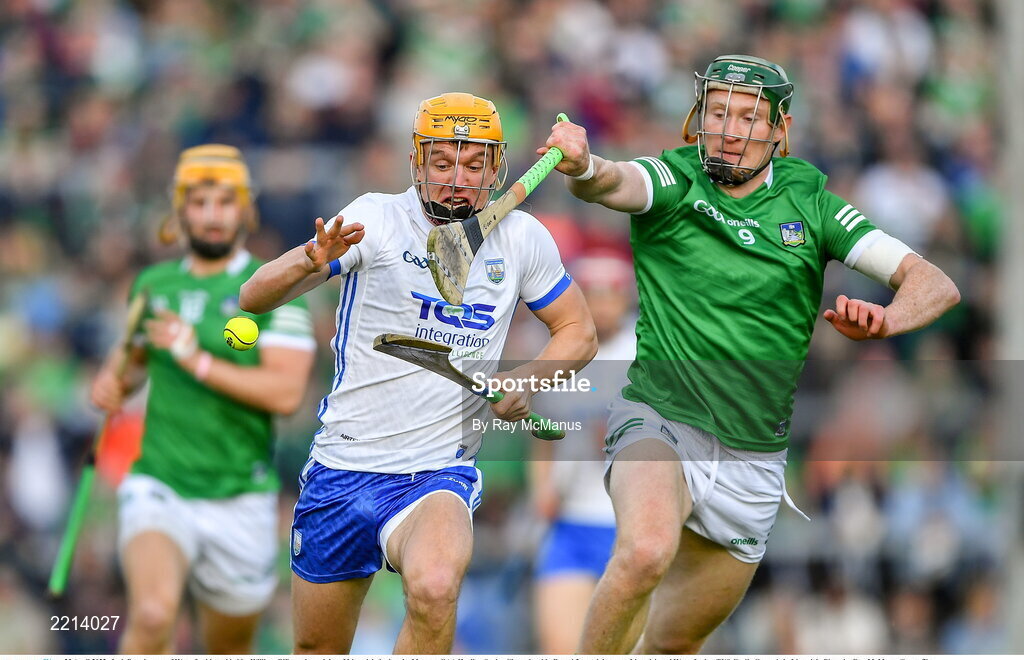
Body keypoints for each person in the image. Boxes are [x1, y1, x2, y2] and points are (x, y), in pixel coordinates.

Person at [540, 54, 961, 653]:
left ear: (779, 131)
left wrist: (889, 319)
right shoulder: (673, 180)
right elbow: (612, 182)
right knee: (644, 551)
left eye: (747, 116)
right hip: (661, 420)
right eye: (718, 113)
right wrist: (585, 165)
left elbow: (934, 283)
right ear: (698, 118)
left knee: (669, 645)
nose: (730, 129)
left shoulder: (811, 201)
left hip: (753, 465)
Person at [238, 92, 597, 654]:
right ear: (417, 163)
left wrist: (526, 379)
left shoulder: (522, 238)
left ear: (497, 168)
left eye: (475, 164)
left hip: (437, 472)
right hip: (343, 467)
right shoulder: (376, 219)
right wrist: (310, 259)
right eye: (444, 162)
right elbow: (252, 297)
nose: (459, 177)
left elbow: (579, 330)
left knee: (434, 587)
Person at [90, 144, 317, 654]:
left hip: (241, 496)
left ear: (245, 209)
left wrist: (198, 360)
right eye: (199, 202)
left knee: (228, 647)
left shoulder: (272, 285)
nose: (213, 216)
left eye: (225, 201)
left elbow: (285, 394)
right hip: (161, 483)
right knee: (152, 615)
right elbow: (133, 365)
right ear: (180, 212)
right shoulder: (153, 285)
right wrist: (113, 382)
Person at [530, 251, 637, 653]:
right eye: (591, 293)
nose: (601, 304)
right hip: (569, 521)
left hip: (627, 523)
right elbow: (539, 437)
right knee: (559, 644)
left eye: (610, 294)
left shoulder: (643, 354)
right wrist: (541, 491)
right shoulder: (561, 353)